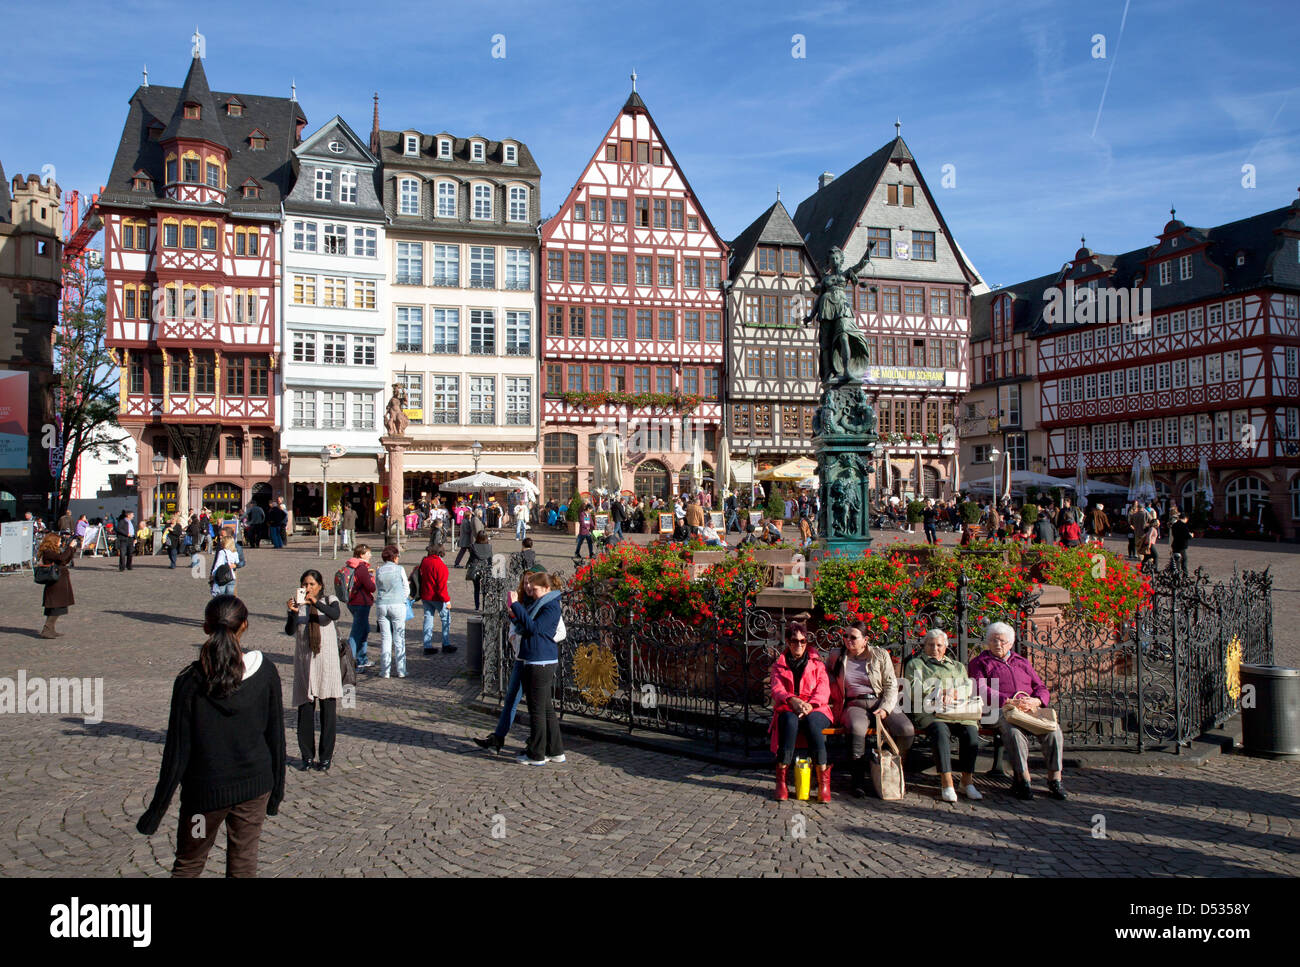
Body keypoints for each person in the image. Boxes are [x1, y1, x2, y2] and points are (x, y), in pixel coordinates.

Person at [137, 595, 284, 876]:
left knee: (190, 863)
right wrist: (276, 792)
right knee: (243, 863)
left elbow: (177, 753)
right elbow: (276, 737)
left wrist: (156, 810)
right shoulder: (265, 673)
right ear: (244, 626)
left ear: (206, 627)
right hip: (253, 788)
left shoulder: (189, 682)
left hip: (204, 798)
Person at [968, 622, 1066, 800]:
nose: (998, 644)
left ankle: (1055, 779)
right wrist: (1008, 701)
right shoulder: (980, 663)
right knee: (1013, 732)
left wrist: (1037, 700)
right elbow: (979, 689)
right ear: (988, 642)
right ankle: (1022, 778)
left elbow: (1041, 687)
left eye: (1002, 641)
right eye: (993, 640)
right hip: (999, 709)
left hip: (1028, 708)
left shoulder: (1021, 662)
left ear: (1011, 643)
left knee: (1053, 731)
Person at [829, 620, 915, 799]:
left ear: (865, 640)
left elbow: (891, 685)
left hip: (880, 701)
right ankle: (858, 781)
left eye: (853, 637)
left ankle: (892, 768)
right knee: (856, 728)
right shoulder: (837, 655)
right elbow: (825, 674)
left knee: (906, 729)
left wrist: (885, 708)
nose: (848, 640)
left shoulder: (880, 655)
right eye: (845, 636)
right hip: (854, 703)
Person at [905, 629, 982, 802]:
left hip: (957, 711)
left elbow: (967, 687)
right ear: (924, 645)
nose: (935, 648)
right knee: (940, 731)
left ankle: (967, 782)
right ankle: (947, 783)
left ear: (945, 647)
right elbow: (913, 688)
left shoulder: (957, 666)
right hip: (931, 712)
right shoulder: (916, 664)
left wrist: (954, 693)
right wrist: (939, 691)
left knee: (971, 731)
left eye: (939, 645)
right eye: (930, 644)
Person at [285, 570, 345, 772]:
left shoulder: (330, 600)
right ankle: (307, 756)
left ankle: (325, 757)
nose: (308, 588)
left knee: (328, 713)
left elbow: (334, 615)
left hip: (326, 663)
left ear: (320, 585)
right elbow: (289, 630)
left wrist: (315, 603)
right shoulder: (298, 604)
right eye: (305, 584)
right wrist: (292, 613)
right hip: (305, 663)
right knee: (305, 711)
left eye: (311, 584)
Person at [769, 622, 832, 802]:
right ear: (788, 642)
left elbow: (823, 688)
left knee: (813, 723)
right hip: (789, 706)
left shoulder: (817, 663)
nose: (799, 644)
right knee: (789, 721)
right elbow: (777, 689)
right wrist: (792, 700)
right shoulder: (779, 665)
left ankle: (823, 783)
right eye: (795, 641)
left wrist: (810, 705)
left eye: (803, 641)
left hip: (816, 707)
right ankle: (781, 781)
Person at [511, 570, 565, 765]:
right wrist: (514, 615)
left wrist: (516, 605)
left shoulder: (550, 606)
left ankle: (537, 753)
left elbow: (534, 629)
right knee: (546, 708)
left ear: (546, 588)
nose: (531, 592)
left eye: (535, 589)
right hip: (537, 659)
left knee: (537, 710)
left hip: (540, 661)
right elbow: (527, 624)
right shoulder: (541, 603)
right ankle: (555, 750)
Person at [374, 545, 409, 678]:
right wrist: (402, 599)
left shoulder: (379, 570)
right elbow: (406, 587)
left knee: (385, 638)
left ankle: (385, 671)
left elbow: (378, 586)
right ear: (394, 557)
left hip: (382, 604)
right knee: (399, 638)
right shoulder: (399, 569)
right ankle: (401, 670)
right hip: (397, 605)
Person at [343, 544, 377, 670]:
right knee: (356, 634)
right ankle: (350, 662)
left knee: (364, 630)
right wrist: (372, 577)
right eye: (368, 553)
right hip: (361, 603)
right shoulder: (361, 567)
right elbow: (371, 587)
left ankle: (362, 659)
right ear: (362, 555)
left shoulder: (351, 565)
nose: (370, 555)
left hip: (352, 601)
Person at [37, 533, 78, 638]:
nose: (60, 543)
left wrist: (72, 549)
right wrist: (69, 548)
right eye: (59, 541)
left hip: (60, 581)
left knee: (58, 605)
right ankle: (47, 628)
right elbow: (61, 559)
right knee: (56, 606)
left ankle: (51, 629)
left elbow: (65, 560)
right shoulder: (48, 552)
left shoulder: (54, 551)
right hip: (55, 582)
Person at [418, 542, 455, 653]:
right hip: (437, 597)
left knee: (428, 619)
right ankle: (446, 643)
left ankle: (427, 645)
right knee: (446, 619)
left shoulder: (425, 561)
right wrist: (447, 601)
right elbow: (441, 587)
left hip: (425, 595)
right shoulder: (440, 566)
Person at [466, 530, 494, 611]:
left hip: (476, 568)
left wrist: (468, 564)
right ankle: (484, 606)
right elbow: (490, 558)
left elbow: (471, 558)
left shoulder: (473, 546)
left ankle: (477, 606)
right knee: (485, 589)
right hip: (486, 568)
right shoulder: (489, 546)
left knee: (476, 588)